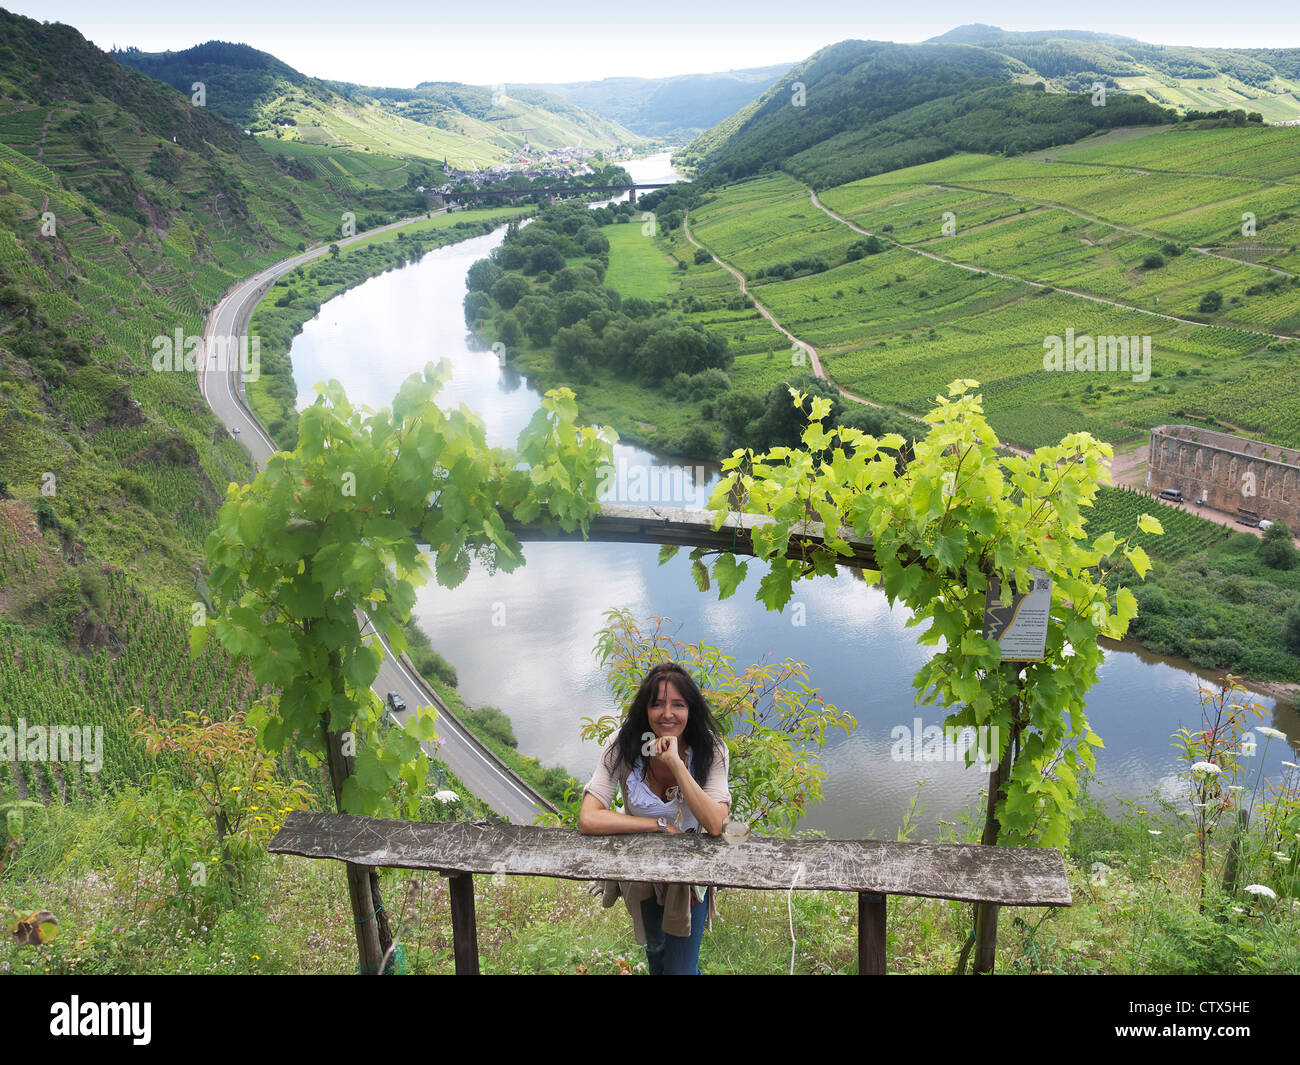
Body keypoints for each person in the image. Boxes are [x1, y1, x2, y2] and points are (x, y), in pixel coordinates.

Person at [579, 661, 731, 974]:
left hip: (690, 876)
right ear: (644, 709)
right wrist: (659, 825)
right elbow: (589, 819)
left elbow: (715, 823)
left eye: (678, 704)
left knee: (680, 970)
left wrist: (676, 764)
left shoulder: (710, 749)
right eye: (657, 704)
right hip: (641, 871)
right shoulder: (622, 747)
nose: (667, 714)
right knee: (657, 955)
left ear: (691, 709)